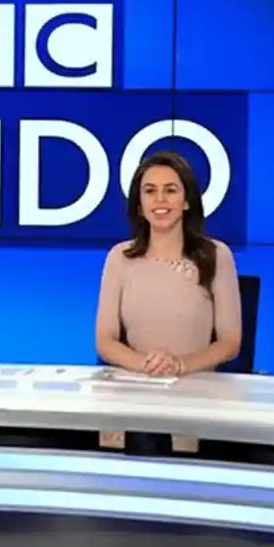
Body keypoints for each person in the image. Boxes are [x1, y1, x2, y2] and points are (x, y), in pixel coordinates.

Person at [95, 151, 242, 378]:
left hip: (197, 387)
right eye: (150, 191)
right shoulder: (119, 257)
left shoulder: (216, 255)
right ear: (139, 205)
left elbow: (230, 342)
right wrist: (147, 365)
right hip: (136, 385)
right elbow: (105, 341)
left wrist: (180, 365)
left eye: (170, 190)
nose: (160, 200)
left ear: (187, 201)